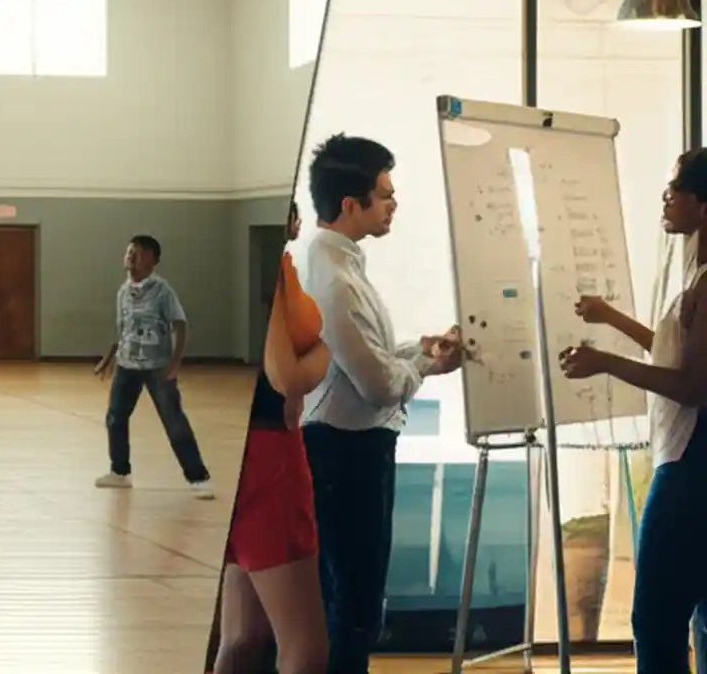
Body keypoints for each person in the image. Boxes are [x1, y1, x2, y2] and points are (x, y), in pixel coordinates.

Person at [300, 134, 462, 673]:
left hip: (352, 449)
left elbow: (366, 359)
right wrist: (427, 365)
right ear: (351, 204)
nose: (394, 205)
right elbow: (376, 386)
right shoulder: (334, 279)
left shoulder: (343, 265)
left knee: (354, 598)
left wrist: (418, 349)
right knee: (353, 602)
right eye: (385, 194)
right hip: (345, 454)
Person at [559, 147, 707, 674]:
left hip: (691, 464)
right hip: (688, 457)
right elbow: (671, 351)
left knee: (655, 619)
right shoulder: (694, 277)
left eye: (675, 189)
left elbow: (690, 386)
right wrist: (611, 318)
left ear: (703, 204)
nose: (665, 198)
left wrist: (606, 364)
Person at [214, 202, 328, 674]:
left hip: (242, 448)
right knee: (305, 647)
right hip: (269, 454)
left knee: (242, 636)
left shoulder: (257, 266)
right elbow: (286, 377)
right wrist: (324, 349)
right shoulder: (272, 277)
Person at [94, 234, 213, 500]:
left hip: (158, 367)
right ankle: (120, 472)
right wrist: (109, 357)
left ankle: (198, 478)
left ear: (151, 259)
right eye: (128, 251)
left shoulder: (163, 291)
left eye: (136, 252)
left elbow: (180, 325)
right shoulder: (123, 291)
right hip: (127, 366)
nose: (130, 256)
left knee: (174, 422)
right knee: (115, 418)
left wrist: (175, 361)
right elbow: (122, 329)